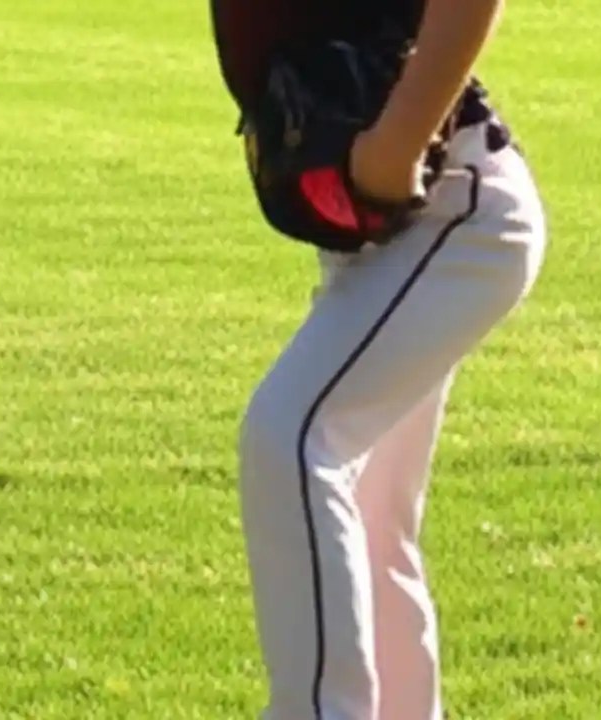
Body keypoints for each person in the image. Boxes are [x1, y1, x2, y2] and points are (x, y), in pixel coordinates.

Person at [213, 1, 547, 717]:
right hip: (392, 233)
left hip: (453, 208)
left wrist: (397, 145)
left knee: (291, 437)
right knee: (369, 521)